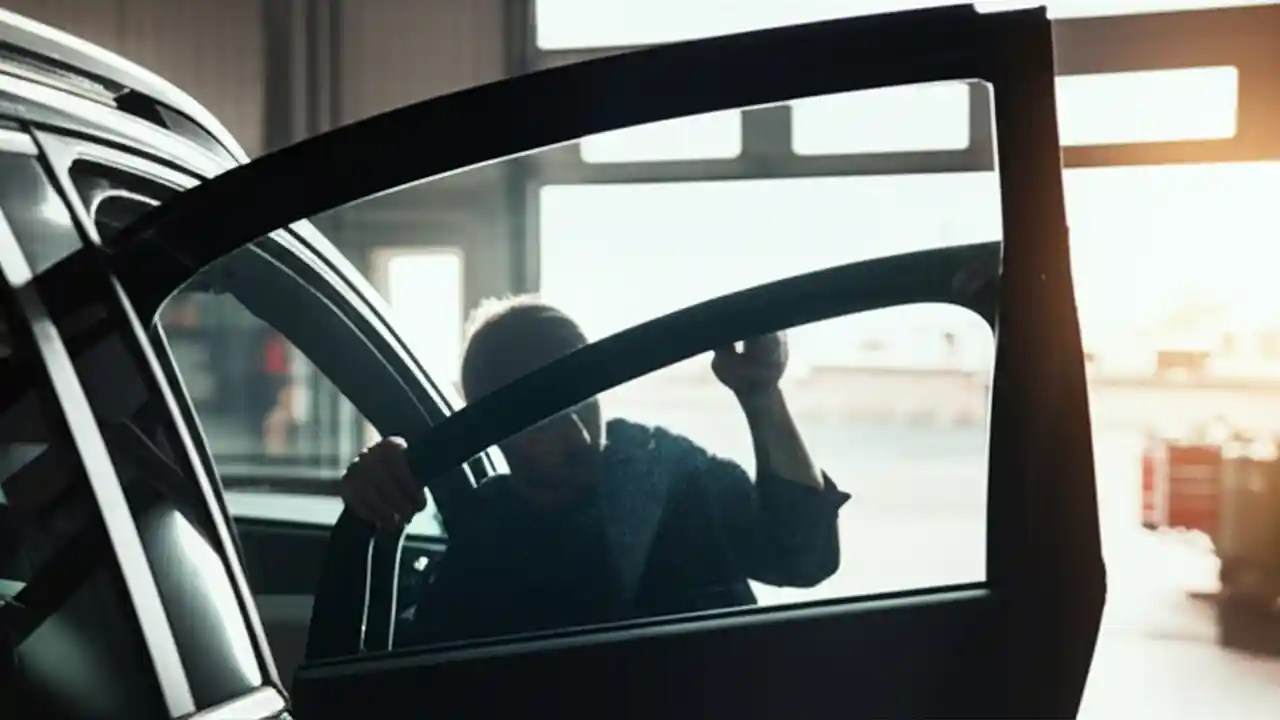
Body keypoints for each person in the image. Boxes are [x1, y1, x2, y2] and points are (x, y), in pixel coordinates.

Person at [339, 296, 850, 645]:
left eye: (585, 404)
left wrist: (761, 395)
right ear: (493, 430)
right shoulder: (483, 529)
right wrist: (381, 489)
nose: (581, 436)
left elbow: (804, 558)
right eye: (545, 420)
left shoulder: (669, 468)